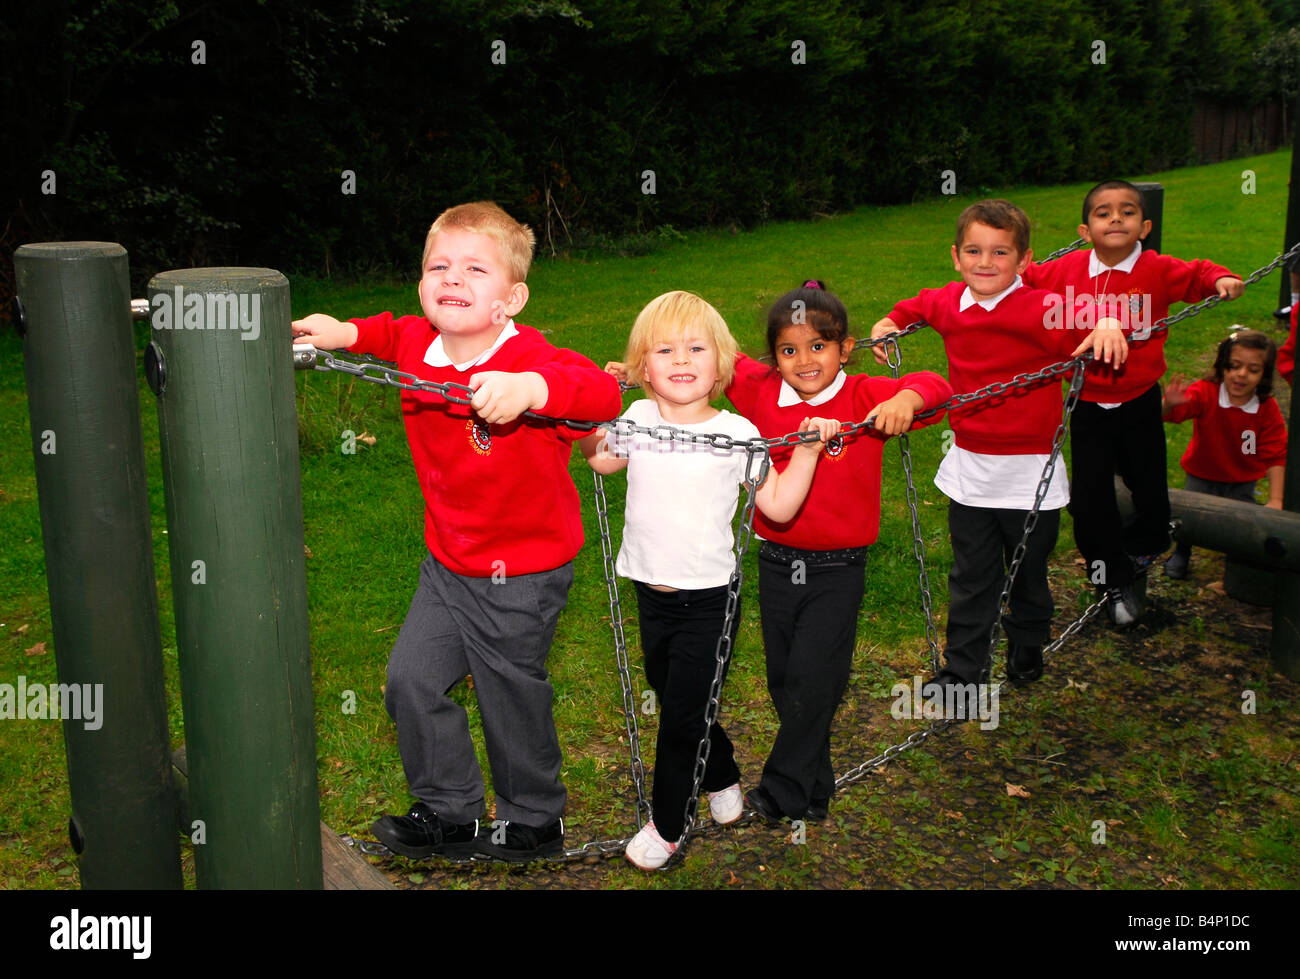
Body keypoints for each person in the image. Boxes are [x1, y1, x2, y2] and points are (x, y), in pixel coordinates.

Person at [292, 201, 622, 862]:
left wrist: (531, 387)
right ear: (421, 283)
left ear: (512, 298)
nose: (453, 277)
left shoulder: (528, 356)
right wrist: (342, 331)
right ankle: (448, 809)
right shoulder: (418, 342)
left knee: (508, 692)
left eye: (476, 268)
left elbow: (598, 393)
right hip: (449, 562)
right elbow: (386, 334)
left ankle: (534, 818)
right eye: (438, 265)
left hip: (524, 568)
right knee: (410, 678)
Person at [582, 290, 838, 870]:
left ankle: (668, 824)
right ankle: (719, 772)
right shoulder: (639, 418)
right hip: (650, 592)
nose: (681, 358)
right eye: (665, 349)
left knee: (679, 720)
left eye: (696, 348)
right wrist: (595, 411)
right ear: (644, 367)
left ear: (720, 364)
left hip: (709, 603)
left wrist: (804, 455)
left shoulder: (738, 432)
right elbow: (600, 459)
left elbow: (775, 506)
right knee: (682, 702)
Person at [870, 199, 1127, 696]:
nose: (985, 263)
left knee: (1028, 573)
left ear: (1025, 261)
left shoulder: (1040, 307)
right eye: (974, 251)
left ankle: (1027, 640)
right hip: (971, 466)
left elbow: (1092, 311)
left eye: (1000, 252)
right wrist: (888, 322)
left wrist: (1109, 323)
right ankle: (963, 676)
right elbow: (918, 305)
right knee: (972, 577)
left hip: (1032, 470)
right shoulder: (950, 302)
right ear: (956, 256)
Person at [723, 280, 951, 823]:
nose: (804, 361)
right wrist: (638, 366)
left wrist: (905, 398)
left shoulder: (864, 397)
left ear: (846, 348)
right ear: (772, 355)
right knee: (786, 680)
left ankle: (781, 793)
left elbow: (936, 384)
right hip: (776, 559)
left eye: (818, 346)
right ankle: (814, 788)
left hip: (837, 567)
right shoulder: (759, 391)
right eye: (789, 349)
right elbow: (708, 352)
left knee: (812, 677)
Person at [1020, 179, 1243, 625]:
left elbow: (1197, 272)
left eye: (1126, 212)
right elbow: (1021, 279)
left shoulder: (1157, 270)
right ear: (1085, 231)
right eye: (1103, 213)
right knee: (1088, 498)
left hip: (1140, 401)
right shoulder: (1065, 270)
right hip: (1086, 402)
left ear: (1144, 226)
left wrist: (1220, 277)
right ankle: (1111, 580)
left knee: (1151, 497)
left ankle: (1143, 549)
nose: (1115, 218)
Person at [1162, 329, 1287, 579]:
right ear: (1223, 367)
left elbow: (1276, 454)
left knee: (1242, 526)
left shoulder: (1265, 408)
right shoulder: (1207, 392)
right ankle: (1182, 552)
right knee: (1188, 520)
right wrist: (1169, 404)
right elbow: (1175, 414)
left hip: (1242, 480)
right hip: (1202, 473)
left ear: (1263, 375)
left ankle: (1237, 567)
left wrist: (1276, 499)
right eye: (1234, 366)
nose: (1241, 375)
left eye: (1253, 370)